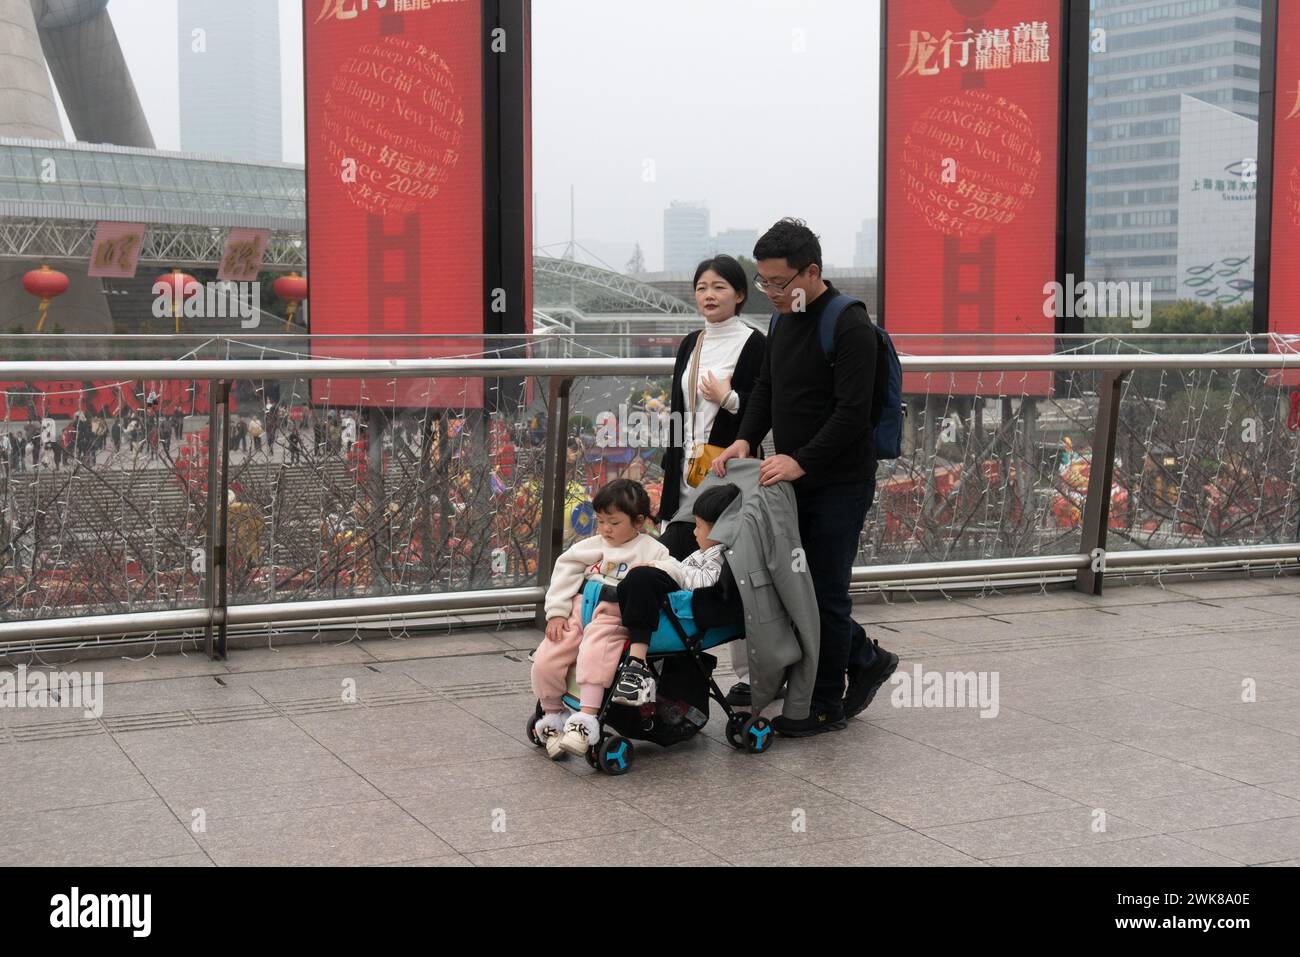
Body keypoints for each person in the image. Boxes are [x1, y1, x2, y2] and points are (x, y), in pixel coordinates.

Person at [714, 218, 899, 737]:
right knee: (792, 583)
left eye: (779, 282)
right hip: (793, 477)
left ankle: (824, 703)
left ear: (811, 272)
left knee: (825, 590)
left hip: (840, 481)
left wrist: (802, 460)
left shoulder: (848, 324)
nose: (770, 292)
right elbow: (768, 388)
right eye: (764, 281)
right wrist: (746, 438)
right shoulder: (781, 321)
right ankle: (865, 659)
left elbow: (853, 412)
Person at [530, 479, 684, 760]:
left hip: (613, 612)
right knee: (549, 654)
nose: (605, 529)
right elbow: (565, 571)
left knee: (597, 652)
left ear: (638, 522)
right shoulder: (592, 546)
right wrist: (557, 612)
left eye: (614, 522)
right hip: (581, 606)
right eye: (600, 521)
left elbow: (676, 571)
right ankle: (552, 716)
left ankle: (586, 718)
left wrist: (652, 567)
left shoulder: (651, 548)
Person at [658, 255, 765, 562]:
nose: (709, 295)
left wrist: (729, 398)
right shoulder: (691, 343)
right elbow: (678, 408)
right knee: (674, 555)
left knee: (713, 555)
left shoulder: (754, 343)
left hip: (723, 469)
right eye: (702, 288)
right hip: (685, 467)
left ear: (739, 294)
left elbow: (765, 406)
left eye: (719, 287)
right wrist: (671, 459)